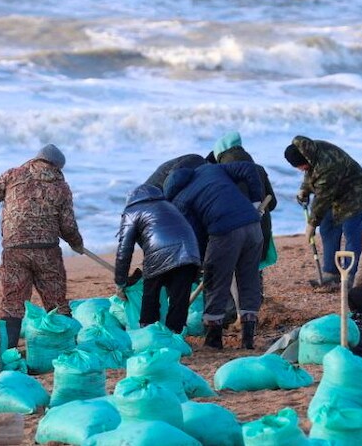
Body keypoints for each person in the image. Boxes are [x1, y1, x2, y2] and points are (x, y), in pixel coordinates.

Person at [0, 144, 84, 348]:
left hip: (15, 249)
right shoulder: (61, 187)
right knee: (56, 301)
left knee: (12, 302)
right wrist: (76, 243)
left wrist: (9, 194)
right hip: (47, 250)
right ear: (57, 167)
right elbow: (67, 225)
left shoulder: (12, 175)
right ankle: (69, 346)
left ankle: (8, 350)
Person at [163, 162, 265, 349]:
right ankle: (248, 338)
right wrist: (256, 202)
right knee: (249, 279)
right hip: (254, 225)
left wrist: (201, 263)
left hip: (225, 232)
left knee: (215, 280)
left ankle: (214, 339)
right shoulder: (211, 169)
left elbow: (196, 235)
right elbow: (249, 168)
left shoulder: (181, 200)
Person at [284, 135, 362, 288]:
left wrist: (311, 224)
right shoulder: (310, 151)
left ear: (304, 159)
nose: (300, 170)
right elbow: (311, 173)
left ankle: (351, 276)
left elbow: (322, 198)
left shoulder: (327, 165)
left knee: (351, 233)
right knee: (327, 228)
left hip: (355, 194)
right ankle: (331, 272)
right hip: (335, 194)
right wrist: (304, 189)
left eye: (300, 167)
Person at [113, 184, 202, 334]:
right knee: (179, 300)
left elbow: (124, 250)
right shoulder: (168, 205)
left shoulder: (131, 211)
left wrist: (120, 282)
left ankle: (149, 334)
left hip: (160, 255)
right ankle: (174, 337)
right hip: (190, 252)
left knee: (151, 296)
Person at [213, 131, 277, 267]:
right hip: (261, 233)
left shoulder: (221, 173)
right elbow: (272, 203)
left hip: (234, 236)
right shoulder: (258, 169)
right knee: (253, 276)